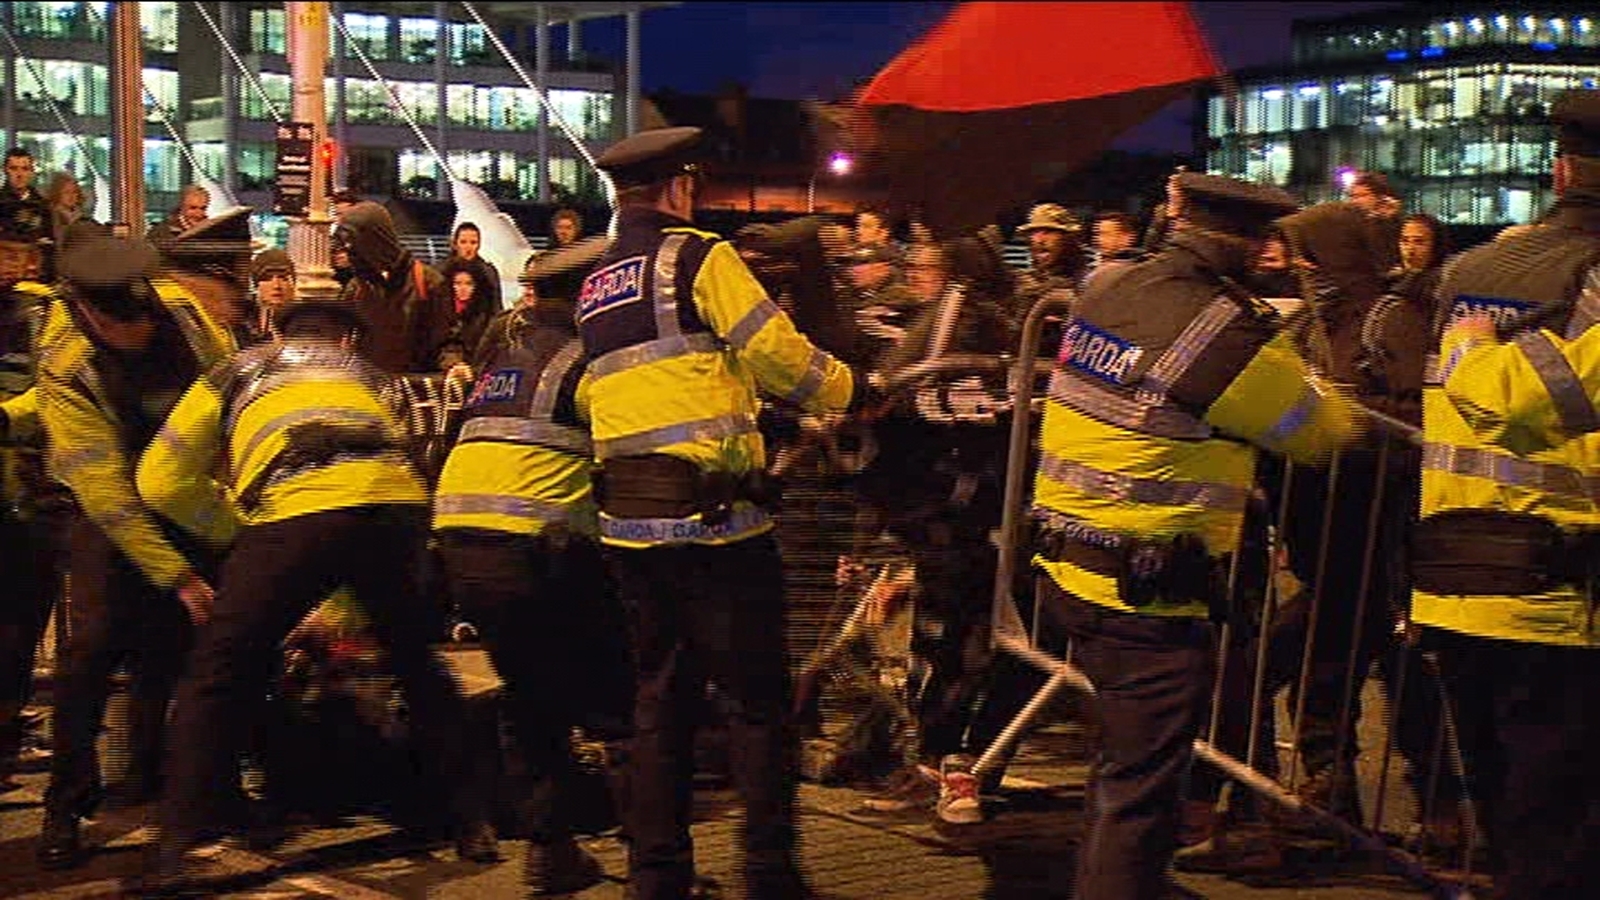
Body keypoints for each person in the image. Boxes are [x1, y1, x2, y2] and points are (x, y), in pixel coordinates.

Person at [1031, 173, 1365, 900]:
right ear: (1245, 242)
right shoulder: (1221, 329)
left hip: (1070, 564)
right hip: (1145, 592)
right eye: (1265, 244)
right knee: (1140, 794)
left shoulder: (1110, 287)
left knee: (1119, 767)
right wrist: (1300, 357)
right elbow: (1321, 433)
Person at [578, 126, 861, 900]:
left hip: (629, 525)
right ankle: (771, 875)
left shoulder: (599, 279)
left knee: (660, 700)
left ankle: (657, 877)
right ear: (680, 189)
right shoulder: (699, 256)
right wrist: (849, 391)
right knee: (756, 707)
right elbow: (775, 353)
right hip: (716, 524)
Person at [135, 290, 498, 892]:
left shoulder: (238, 368)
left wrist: (236, 531)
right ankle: (469, 820)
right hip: (396, 509)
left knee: (216, 673)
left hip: (295, 511)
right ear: (348, 339)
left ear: (276, 333)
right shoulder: (370, 376)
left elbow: (159, 480)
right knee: (417, 663)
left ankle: (179, 845)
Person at [1406, 88, 1600, 898]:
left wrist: (1469, 350)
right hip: (1561, 598)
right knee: (1563, 834)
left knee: (1512, 816)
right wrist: (1482, 359)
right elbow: (1552, 394)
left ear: (1558, 170)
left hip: (1459, 579)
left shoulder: (1471, 270)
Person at [434, 239, 632, 895]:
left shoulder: (502, 361)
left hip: (462, 545)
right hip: (537, 548)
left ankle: (552, 851)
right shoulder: (593, 362)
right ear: (590, 295)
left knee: (527, 695)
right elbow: (626, 459)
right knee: (621, 694)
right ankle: (656, 860)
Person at [34, 235, 236, 870]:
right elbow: (109, 495)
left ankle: (156, 775)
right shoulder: (66, 365)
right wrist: (176, 574)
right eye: (124, 325)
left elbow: (226, 396)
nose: (141, 334)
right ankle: (66, 802)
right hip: (111, 511)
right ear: (91, 315)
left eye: (144, 316)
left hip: (183, 489)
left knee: (178, 646)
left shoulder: (179, 314)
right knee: (90, 651)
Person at [0, 220, 67, 794]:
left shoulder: (41, 313)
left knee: (18, 631)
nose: (15, 266)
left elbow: (53, 390)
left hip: (25, 496)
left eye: (20, 254)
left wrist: (9, 417)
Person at [334, 200, 456, 374]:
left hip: (413, 390)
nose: (349, 249)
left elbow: (447, 340)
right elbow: (341, 335)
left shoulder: (428, 282)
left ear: (374, 240)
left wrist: (452, 365)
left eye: (353, 242)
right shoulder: (357, 288)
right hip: (368, 390)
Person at [248, 248, 296, 344]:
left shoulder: (306, 318)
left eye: (283, 278)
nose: (276, 285)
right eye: (267, 278)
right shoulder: (242, 317)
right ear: (257, 284)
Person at [146, 184, 211, 245]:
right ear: (182, 207)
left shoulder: (211, 230)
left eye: (203, 208)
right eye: (193, 208)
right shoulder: (161, 233)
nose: (198, 213)